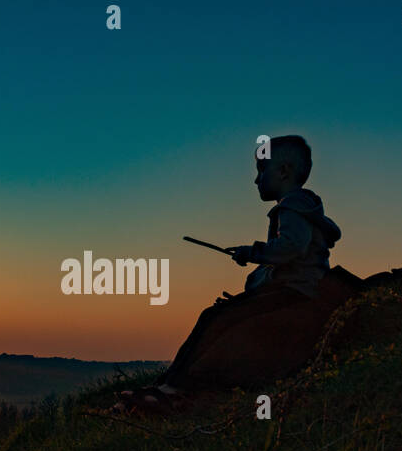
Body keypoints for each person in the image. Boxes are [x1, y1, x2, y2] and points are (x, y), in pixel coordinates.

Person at [121, 136, 346, 409]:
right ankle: (169, 384)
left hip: (293, 290)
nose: (256, 180)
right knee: (218, 317)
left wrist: (253, 252)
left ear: (284, 171)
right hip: (297, 286)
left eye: (261, 170)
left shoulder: (291, 207)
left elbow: (290, 248)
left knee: (214, 317)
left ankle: (173, 388)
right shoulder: (305, 207)